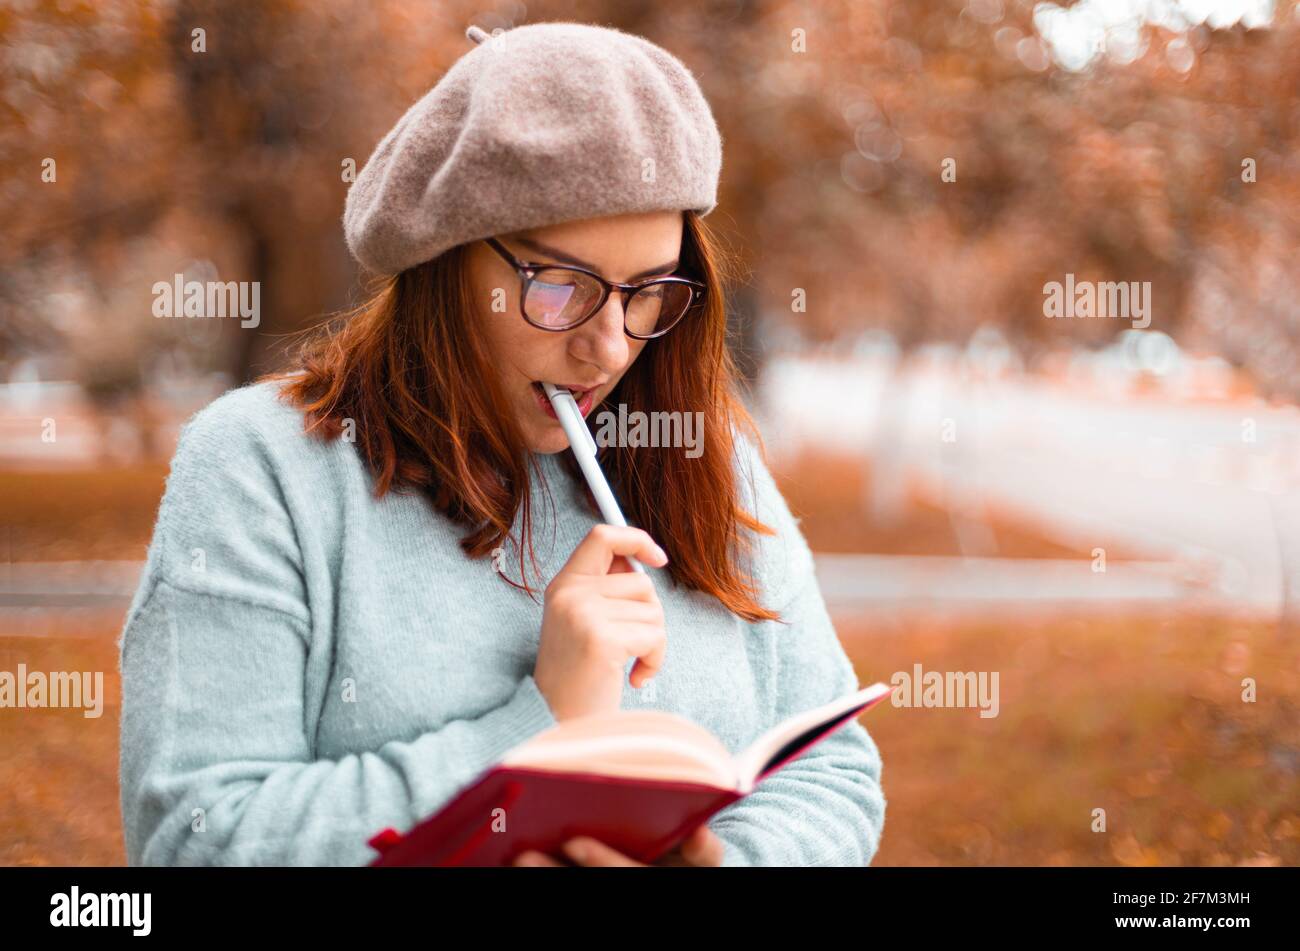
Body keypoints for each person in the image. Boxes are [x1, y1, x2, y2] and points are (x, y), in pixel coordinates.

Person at [117, 20, 885, 867]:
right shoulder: (263, 467)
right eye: (560, 285)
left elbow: (832, 771)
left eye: (647, 292)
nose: (611, 347)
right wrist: (538, 729)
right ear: (444, 260)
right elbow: (195, 837)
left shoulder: (711, 461)